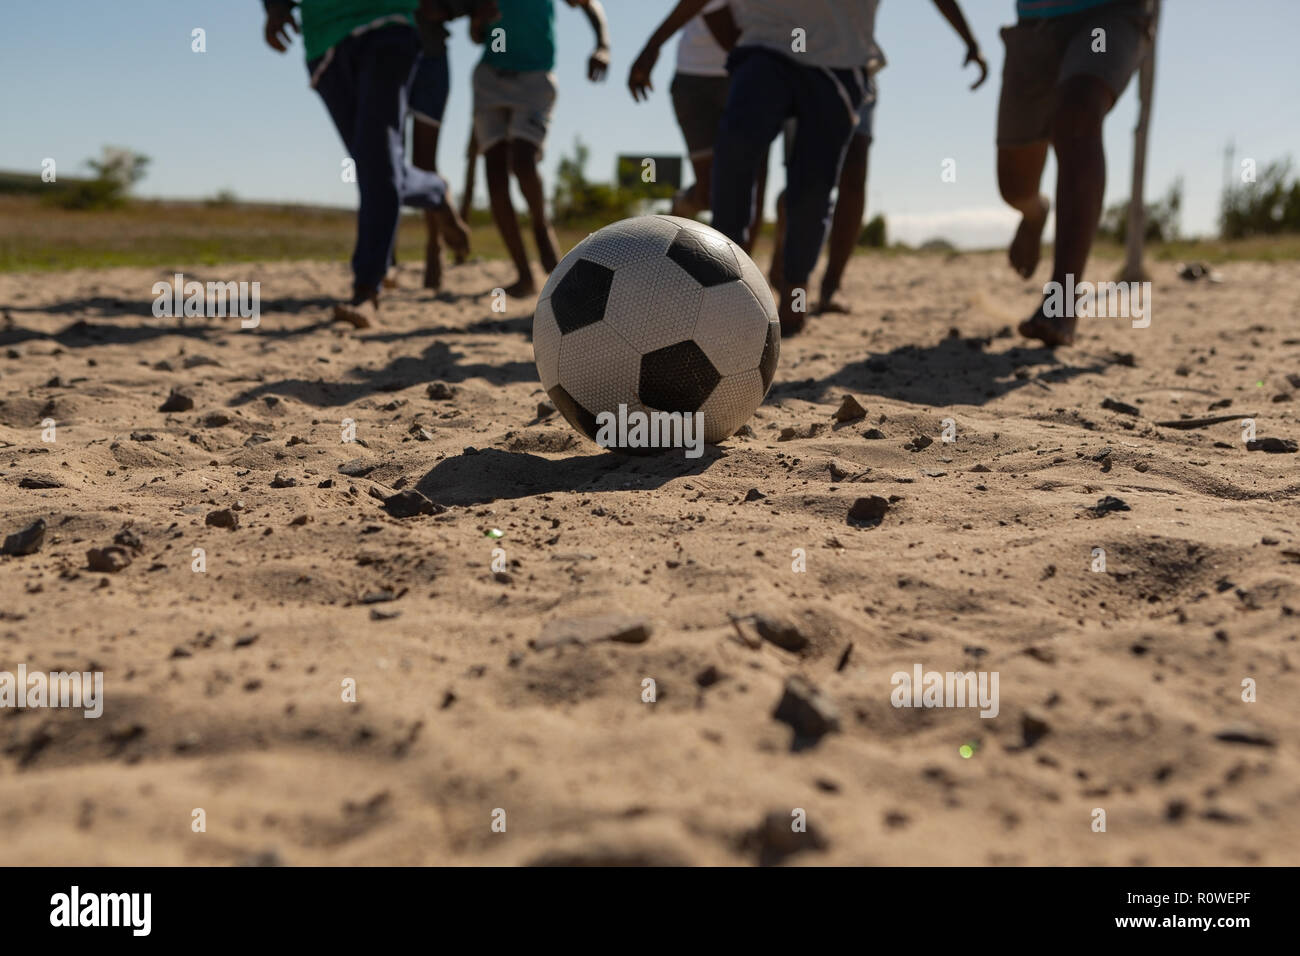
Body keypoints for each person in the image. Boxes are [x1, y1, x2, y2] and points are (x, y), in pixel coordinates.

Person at [263, 0, 472, 328]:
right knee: (377, 167)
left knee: (378, 165)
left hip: (386, 24)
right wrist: (274, 7)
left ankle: (366, 289)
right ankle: (434, 189)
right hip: (325, 39)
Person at [772, 0, 986, 314]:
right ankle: (788, 266)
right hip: (803, 67)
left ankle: (832, 286)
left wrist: (970, 41)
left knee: (854, 172)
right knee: (805, 178)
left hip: (857, 68)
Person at [690, 0, 874, 336]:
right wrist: (654, 43)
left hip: (837, 56)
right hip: (765, 43)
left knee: (812, 189)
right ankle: (725, 281)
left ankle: (794, 299)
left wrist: (970, 40)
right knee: (736, 153)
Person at [996, 0, 1152, 347]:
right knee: (1014, 187)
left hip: (1109, 13)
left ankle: (1062, 303)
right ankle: (1035, 212)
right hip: (1036, 22)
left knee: (1078, 111)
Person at [471, 0, 611, 297]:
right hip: (490, 77)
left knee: (523, 161)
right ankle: (524, 274)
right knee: (494, 174)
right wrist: (479, 19)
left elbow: (588, 4)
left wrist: (602, 45)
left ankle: (540, 225)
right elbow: (475, 35)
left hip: (535, 80)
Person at [627, 1, 763, 254]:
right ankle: (684, 205)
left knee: (751, 176)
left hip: (750, 75)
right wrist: (651, 47)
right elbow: (729, 38)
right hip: (695, 79)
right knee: (712, 192)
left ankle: (744, 268)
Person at [409, 1, 494, 291]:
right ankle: (383, 260)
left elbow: (478, 17)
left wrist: (449, 9)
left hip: (430, 56)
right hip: (380, 52)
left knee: (423, 161)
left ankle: (434, 248)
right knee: (380, 158)